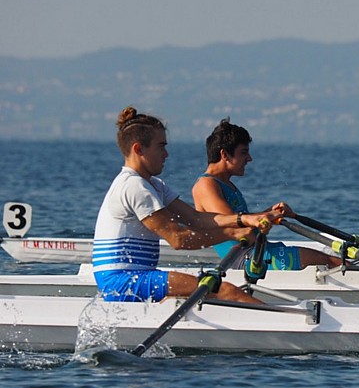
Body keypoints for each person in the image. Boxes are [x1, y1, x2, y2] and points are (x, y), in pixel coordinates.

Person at [92, 106, 278, 304]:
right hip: (121, 282)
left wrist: (244, 220)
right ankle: (282, 325)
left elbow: (196, 219)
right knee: (226, 292)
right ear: (139, 149)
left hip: (139, 276)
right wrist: (232, 233)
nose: (166, 155)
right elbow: (178, 239)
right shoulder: (133, 186)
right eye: (161, 146)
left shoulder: (154, 185)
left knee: (210, 293)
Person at [192, 118, 340, 270]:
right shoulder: (206, 185)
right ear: (225, 155)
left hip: (259, 251)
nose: (249, 159)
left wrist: (270, 213)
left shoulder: (226, 184)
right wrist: (268, 216)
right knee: (331, 261)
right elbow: (236, 228)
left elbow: (244, 221)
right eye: (244, 152)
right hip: (245, 260)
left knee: (334, 259)